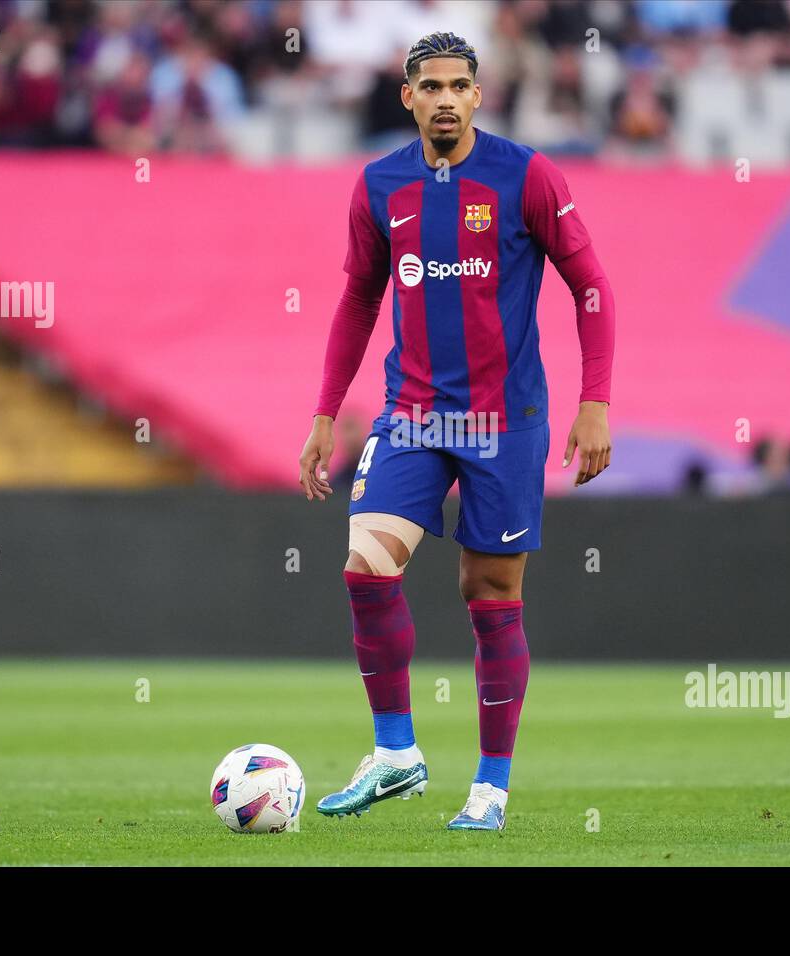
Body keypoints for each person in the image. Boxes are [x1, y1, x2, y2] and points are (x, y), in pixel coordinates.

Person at [297, 31, 615, 831]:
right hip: (412, 414)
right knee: (365, 569)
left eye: (458, 85)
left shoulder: (526, 176)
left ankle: (491, 788)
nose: (444, 98)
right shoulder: (380, 185)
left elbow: (592, 286)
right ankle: (397, 754)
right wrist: (325, 411)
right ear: (407, 97)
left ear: (479, 94)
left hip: (505, 421)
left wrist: (596, 400)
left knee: (490, 594)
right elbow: (357, 303)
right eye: (428, 86)